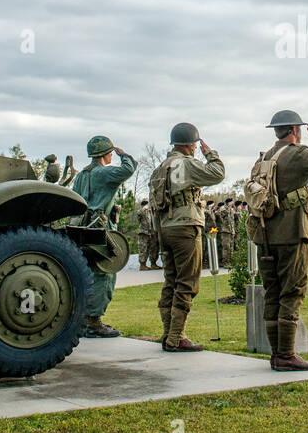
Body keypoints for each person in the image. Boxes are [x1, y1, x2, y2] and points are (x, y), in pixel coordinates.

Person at [251, 109, 308, 370]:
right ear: (295, 130)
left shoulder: (264, 158)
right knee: (292, 291)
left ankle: (276, 353)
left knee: (273, 293)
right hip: (293, 233)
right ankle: (287, 355)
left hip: (265, 235)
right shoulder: (298, 154)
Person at [149, 122, 225, 352]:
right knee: (187, 282)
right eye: (194, 144)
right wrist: (210, 153)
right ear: (190, 145)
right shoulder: (186, 164)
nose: (195, 148)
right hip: (186, 226)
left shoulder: (161, 167)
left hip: (165, 227)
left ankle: (168, 334)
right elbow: (218, 174)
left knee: (170, 281)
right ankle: (176, 338)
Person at [71, 136, 137, 338]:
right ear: (106, 154)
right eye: (110, 153)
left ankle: (82, 319)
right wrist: (123, 154)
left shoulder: (82, 174)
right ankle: (94, 321)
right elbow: (129, 169)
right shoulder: (104, 173)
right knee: (105, 273)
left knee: (87, 272)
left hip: (83, 227)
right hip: (101, 228)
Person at [136, 198, 161, 270]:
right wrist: (144, 208)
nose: (147, 205)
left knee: (154, 247)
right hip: (144, 232)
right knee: (143, 248)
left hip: (152, 232)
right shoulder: (141, 211)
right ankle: (142, 265)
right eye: (145, 204)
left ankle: (153, 263)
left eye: (147, 203)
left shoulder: (151, 211)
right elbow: (138, 213)